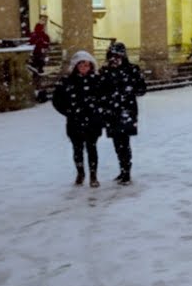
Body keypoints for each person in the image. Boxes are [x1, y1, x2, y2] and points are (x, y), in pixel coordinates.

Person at [52, 50, 104, 187]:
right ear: (76, 66)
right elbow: (57, 100)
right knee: (77, 149)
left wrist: (99, 112)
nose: (84, 68)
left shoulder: (97, 81)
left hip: (92, 122)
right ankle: (80, 173)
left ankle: (93, 175)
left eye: (87, 65)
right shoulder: (67, 82)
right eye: (81, 65)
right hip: (75, 122)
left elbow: (104, 99)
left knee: (92, 149)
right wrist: (69, 111)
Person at [100, 41, 147, 185]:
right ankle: (122, 170)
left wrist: (129, 88)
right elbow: (100, 91)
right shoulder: (105, 71)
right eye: (112, 56)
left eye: (118, 56)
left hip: (127, 111)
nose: (115, 59)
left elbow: (141, 89)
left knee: (124, 142)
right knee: (116, 142)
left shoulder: (132, 69)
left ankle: (126, 171)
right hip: (112, 112)